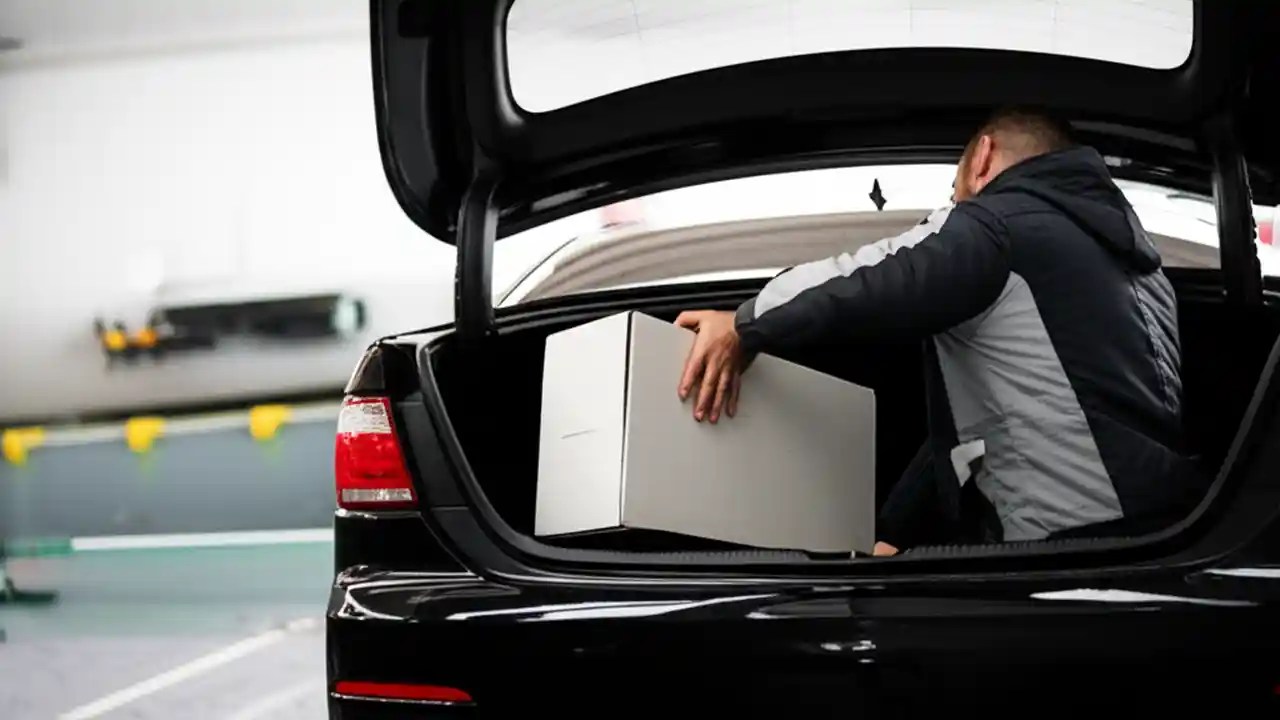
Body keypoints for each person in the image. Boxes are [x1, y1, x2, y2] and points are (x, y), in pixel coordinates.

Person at [674, 107, 1203, 556]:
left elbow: (876, 274)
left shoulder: (998, 223)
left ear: (982, 159)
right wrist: (893, 534)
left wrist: (745, 323)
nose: (952, 207)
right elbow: (994, 423)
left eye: (954, 190)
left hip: (1065, 557)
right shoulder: (1145, 273)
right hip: (1163, 542)